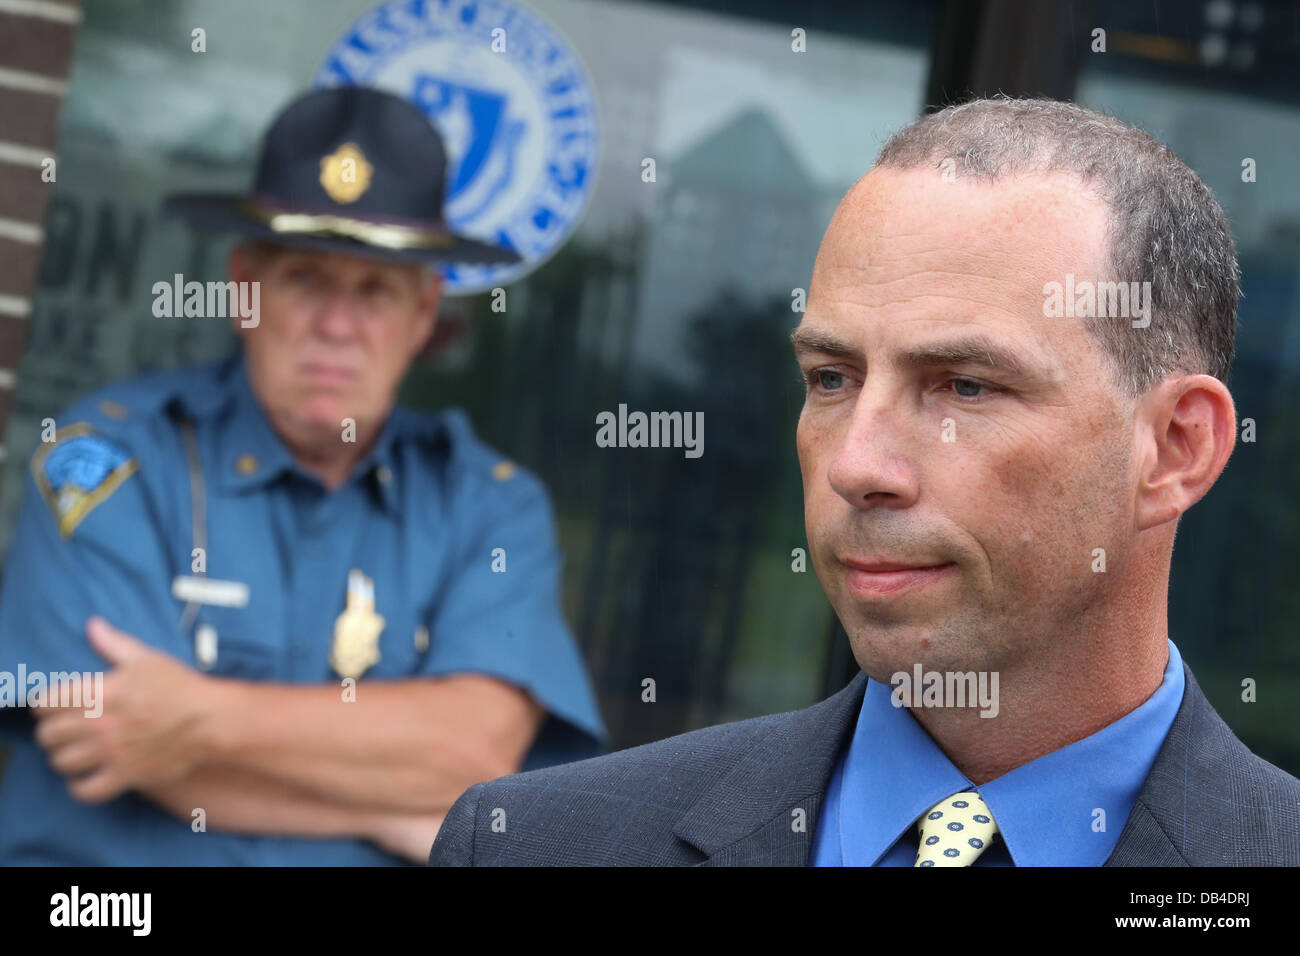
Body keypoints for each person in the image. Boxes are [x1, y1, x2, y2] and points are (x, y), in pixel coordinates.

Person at [429, 97, 1300, 867]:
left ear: (1178, 448)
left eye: (965, 386)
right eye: (832, 379)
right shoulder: (539, 845)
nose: (855, 465)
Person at [0, 85, 604, 865]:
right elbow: (110, 735)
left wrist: (198, 718)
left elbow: (475, 754)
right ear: (245, 287)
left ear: (424, 315)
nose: (338, 326)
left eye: (375, 290)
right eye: (305, 280)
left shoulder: (489, 507)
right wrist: (397, 811)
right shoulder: (107, 458)